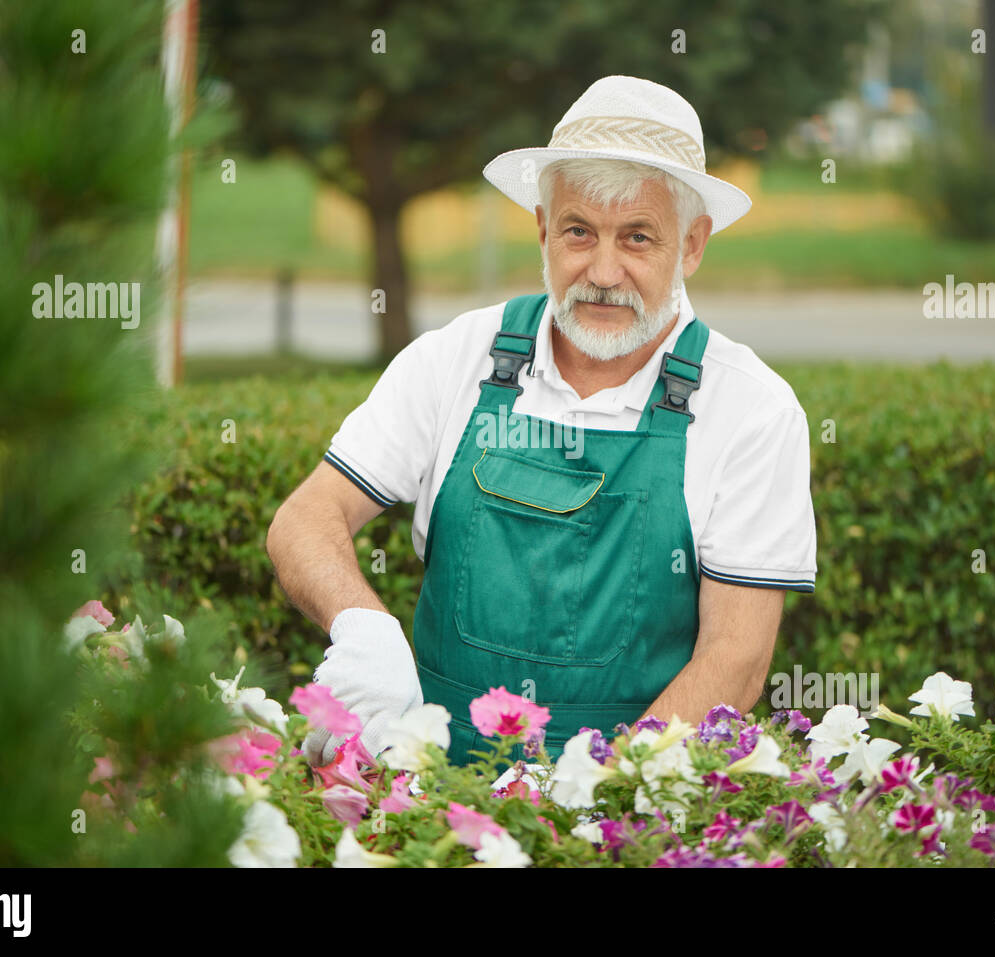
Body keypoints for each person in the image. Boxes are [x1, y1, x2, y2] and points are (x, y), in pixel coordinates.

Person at [267, 75, 817, 768]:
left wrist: (606, 793)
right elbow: (305, 517)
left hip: (629, 813)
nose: (605, 271)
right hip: (429, 796)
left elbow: (736, 660)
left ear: (692, 245)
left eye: (639, 238)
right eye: (579, 231)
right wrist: (364, 627)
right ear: (541, 230)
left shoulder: (751, 411)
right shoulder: (455, 360)